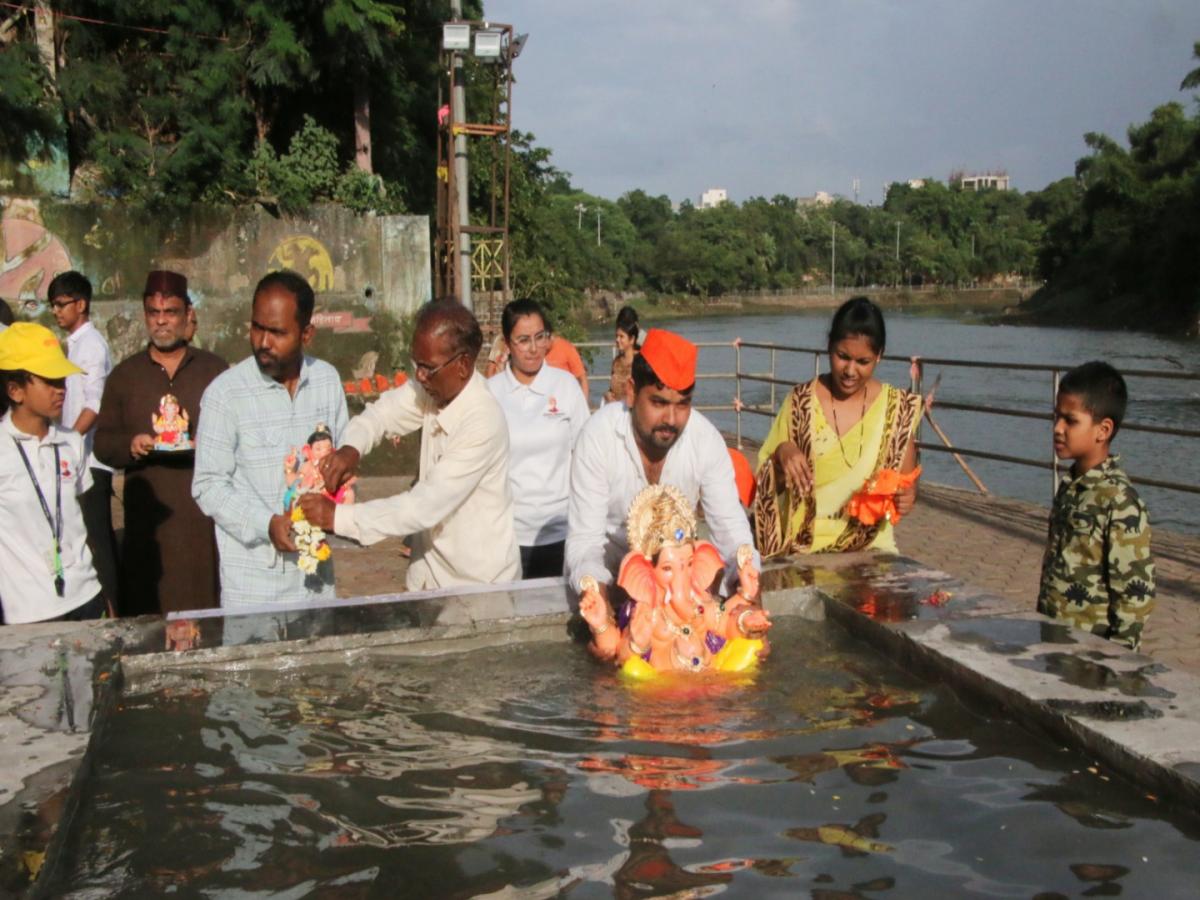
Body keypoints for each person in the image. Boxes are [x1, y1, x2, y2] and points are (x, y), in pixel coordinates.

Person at [300, 300, 520, 590]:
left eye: (428, 368)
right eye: (416, 364)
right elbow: (381, 415)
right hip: (427, 574)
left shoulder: (483, 421)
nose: (419, 376)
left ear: (464, 365)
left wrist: (337, 517)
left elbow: (422, 507)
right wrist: (351, 448)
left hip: (479, 585)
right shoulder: (433, 387)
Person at [566, 328, 759, 600]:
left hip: (679, 586)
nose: (671, 418)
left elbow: (733, 535)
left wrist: (749, 603)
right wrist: (603, 621)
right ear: (632, 393)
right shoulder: (598, 437)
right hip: (607, 582)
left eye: (682, 405)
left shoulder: (705, 440)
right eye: (658, 402)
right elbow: (585, 544)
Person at [193, 270, 349, 607]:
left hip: (316, 583)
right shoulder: (225, 394)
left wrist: (341, 501)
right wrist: (266, 524)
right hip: (253, 588)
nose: (263, 342)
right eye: (257, 327)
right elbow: (207, 485)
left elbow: (338, 466)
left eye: (277, 332)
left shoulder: (326, 381)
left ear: (306, 333)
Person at [95, 271, 228, 615]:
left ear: (187, 314)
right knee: (148, 618)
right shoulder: (125, 376)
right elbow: (102, 443)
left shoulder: (215, 371)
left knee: (206, 614)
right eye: (154, 313)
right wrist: (132, 444)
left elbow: (240, 437)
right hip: (147, 521)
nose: (162, 321)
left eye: (170, 312)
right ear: (145, 316)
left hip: (201, 518)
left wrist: (210, 444)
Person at [753, 297, 922, 556]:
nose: (850, 371)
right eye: (842, 357)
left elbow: (903, 485)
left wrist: (907, 499)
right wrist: (781, 454)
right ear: (829, 346)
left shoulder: (896, 409)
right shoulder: (800, 403)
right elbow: (765, 484)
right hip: (802, 549)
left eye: (863, 362)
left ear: (879, 356)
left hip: (869, 549)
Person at [579, 484, 770, 675]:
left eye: (688, 565)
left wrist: (746, 614)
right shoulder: (647, 613)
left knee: (746, 650)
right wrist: (608, 629)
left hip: (711, 688)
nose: (681, 577)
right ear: (644, 572)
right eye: (667, 569)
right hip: (664, 694)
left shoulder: (700, 603)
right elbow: (616, 652)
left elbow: (724, 622)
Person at [1037, 361, 1155, 651]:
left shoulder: (1118, 500)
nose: (1058, 429)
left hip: (1093, 651)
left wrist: (1117, 661)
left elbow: (1134, 595)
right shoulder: (1072, 487)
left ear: (1103, 430)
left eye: (1070, 420)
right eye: (1056, 417)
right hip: (1055, 640)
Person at [0, 323, 105, 623]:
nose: (61, 388)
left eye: (61, 378)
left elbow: (83, 525)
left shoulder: (71, 442)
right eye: (49, 380)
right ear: (15, 390)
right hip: (29, 615)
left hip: (86, 599)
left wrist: (104, 592)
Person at [487, 298, 589, 578]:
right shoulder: (490, 394)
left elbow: (587, 456)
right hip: (508, 535)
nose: (533, 349)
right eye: (523, 340)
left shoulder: (565, 386)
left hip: (562, 531)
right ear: (507, 343)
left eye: (539, 337)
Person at [49, 270, 118, 613]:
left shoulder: (91, 345)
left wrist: (68, 444)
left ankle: (115, 614)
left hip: (90, 460)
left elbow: (95, 402)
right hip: (78, 457)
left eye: (62, 304)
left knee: (98, 543)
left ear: (81, 304)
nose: (57, 312)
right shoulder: (75, 345)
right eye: (54, 306)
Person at [603, 305, 640, 404]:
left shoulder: (641, 361)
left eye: (621, 336)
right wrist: (608, 395)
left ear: (632, 339)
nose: (617, 339)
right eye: (616, 336)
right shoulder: (617, 362)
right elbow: (611, 389)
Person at [544, 329, 589, 401]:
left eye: (543, 340)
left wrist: (584, 404)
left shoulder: (567, 348)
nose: (541, 345)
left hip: (565, 398)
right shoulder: (538, 350)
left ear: (551, 336)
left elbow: (582, 378)